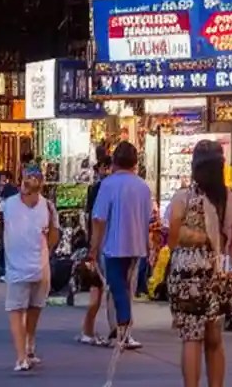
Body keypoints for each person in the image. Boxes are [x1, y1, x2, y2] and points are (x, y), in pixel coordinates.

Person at [167, 140, 232, 387]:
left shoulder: (182, 198)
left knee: (191, 338)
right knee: (214, 340)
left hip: (186, 275)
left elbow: (171, 240)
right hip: (220, 275)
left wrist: (191, 241)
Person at [90, 140, 152, 377]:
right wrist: (147, 244)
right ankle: (124, 329)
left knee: (115, 287)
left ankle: (121, 327)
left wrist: (94, 246)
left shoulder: (108, 185)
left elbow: (99, 219)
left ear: (114, 161)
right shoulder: (143, 187)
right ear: (136, 162)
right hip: (136, 246)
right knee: (127, 287)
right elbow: (147, 219)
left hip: (113, 244)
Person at [1, 166, 60, 371]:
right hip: (40, 268)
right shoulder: (48, 207)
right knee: (34, 309)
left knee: (17, 311)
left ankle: (21, 356)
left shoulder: (8, 205)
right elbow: (53, 239)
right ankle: (29, 346)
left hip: (17, 268)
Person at [76, 154, 114, 346]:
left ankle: (88, 330)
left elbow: (91, 216)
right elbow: (95, 218)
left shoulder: (97, 188)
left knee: (98, 291)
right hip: (104, 246)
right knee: (99, 291)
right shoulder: (103, 189)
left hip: (99, 244)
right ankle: (89, 330)